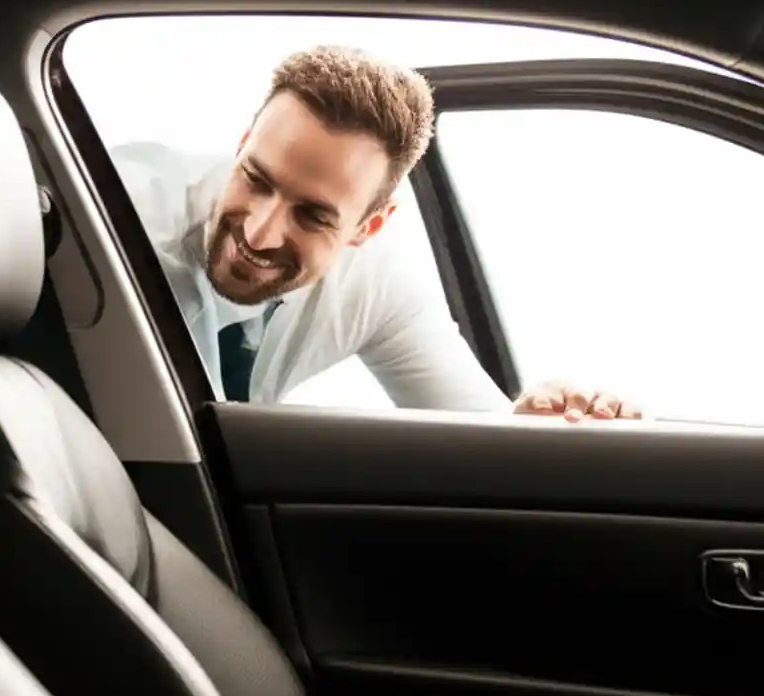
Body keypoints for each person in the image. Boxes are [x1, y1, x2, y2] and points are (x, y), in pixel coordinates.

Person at [110, 45, 642, 422]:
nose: (259, 231)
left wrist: (538, 425)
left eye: (313, 216)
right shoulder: (115, 212)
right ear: (245, 141)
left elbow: (479, 433)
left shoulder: (377, 286)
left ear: (370, 226)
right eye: (257, 178)